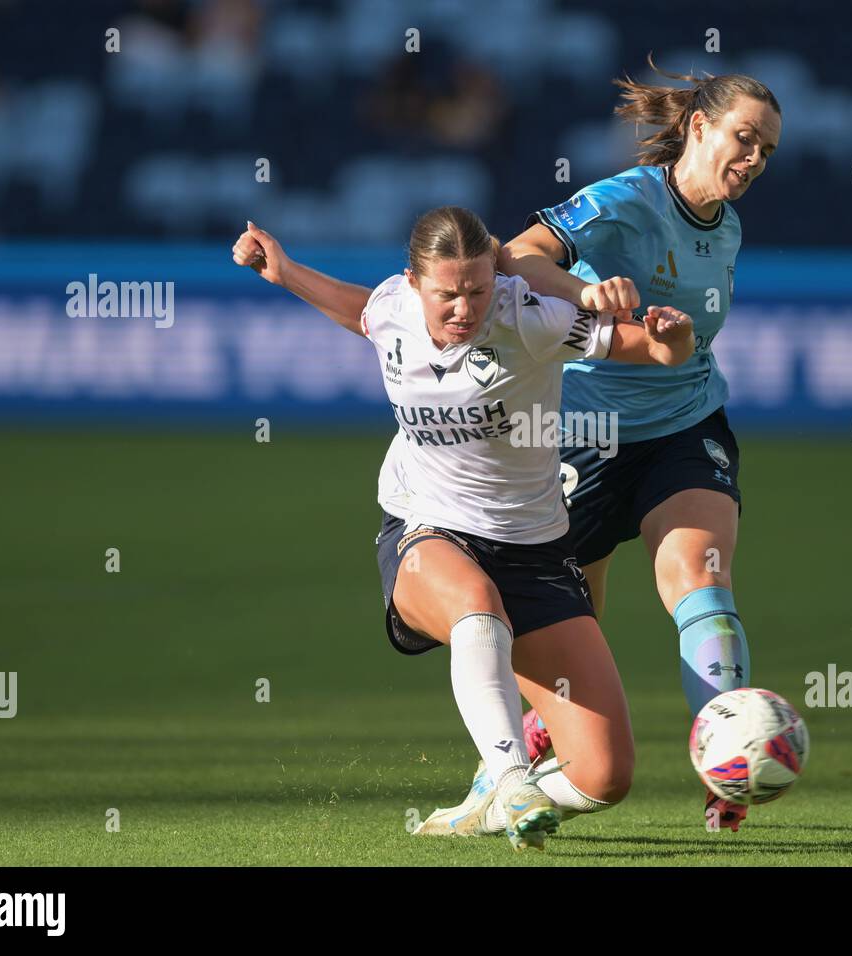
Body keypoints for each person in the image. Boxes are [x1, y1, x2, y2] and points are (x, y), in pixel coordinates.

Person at [231, 206, 695, 850]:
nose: (463, 307)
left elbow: (652, 350)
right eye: (446, 293)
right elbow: (365, 314)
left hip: (534, 551)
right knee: (476, 611)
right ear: (414, 284)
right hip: (426, 530)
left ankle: (494, 804)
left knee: (606, 775)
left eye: (477, 290)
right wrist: (285, 274)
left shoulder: (529, 316)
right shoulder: (394, 305)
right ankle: (508, 776)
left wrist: (674, 338)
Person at [496, 58, 781, 832]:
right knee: (572, 615)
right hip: (582, 432)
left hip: (684, 426)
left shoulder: (728, 227)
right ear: (698, 127)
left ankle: (728, 755)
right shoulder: (626, 199)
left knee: (699, 572)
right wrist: (588, 293)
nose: (754, 160)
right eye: (744, 139)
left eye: (766, 151)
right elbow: (515, 257)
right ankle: (547, 736)